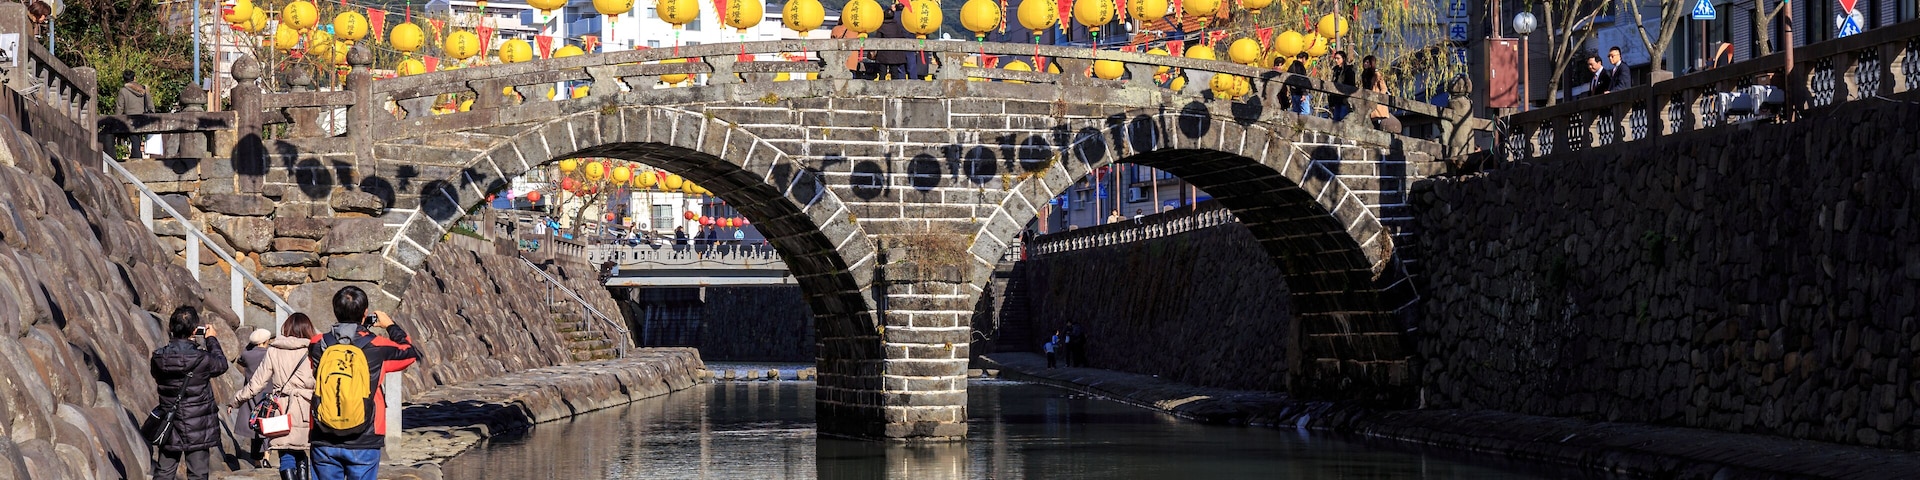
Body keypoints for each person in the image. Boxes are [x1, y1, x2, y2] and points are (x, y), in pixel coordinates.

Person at [307, 287, 420, 480]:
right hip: (365, 435)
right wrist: (390, 325)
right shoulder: (378, 346)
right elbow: (409, 353)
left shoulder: (317, 344)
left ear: (335, 310)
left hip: (323, 433)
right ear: (365, 312)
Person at [148, 306, 230, 480]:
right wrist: (211, 339)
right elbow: (221, 364)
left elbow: (156, 377)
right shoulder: (202, 358)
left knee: (164, 472)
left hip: (170, 420)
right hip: (198, 424)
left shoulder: (159, 357)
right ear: (194, 330)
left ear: (171, 327)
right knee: (198, 474)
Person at [233, 314, 318, 480]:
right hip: (307, 409)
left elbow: (257, 383)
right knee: (301, 451)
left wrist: (236, 400)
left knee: (285, 452)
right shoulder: (313, 350)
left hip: (282, 408)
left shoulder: (274, 350)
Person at [234, 328, 274, 467]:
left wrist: (250, 345)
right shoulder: (269, 353)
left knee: (254, 425)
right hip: (268, 392)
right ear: (266, 341)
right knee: (268, 424)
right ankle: (267, 456)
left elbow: (241, 360)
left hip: (251, 394)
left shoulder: (247, 355)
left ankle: (256, 460)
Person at [871, 3, 912, 80]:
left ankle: (881, 86)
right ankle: (895, 87)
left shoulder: (882, 26)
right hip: (895, 54)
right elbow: (901, 36)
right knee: (894, 72)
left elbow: (877, 39)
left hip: (883, 54)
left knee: (882, 73)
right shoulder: (897, 26)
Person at [118, 70, 154, 158]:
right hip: (143, 118)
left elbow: (120, 107)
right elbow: (150, 104)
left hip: (129, 119)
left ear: (124, 79)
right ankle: (136, 155)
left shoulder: (123, 91)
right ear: (135, 78)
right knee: (137, 139)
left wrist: (117, 120)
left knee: (134, 139)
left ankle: (136, 156)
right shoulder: (144, 89)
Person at [1328, 51, 1356, 121]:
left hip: (1344, 99)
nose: (1336, 60)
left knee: (1342, 119)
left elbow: (1351, 85)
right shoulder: (1335, 70)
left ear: (1343, 59)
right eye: (1335, 58)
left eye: (1338, 58)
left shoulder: (1348, 70)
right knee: (1336, 119)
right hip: (1336, 99)